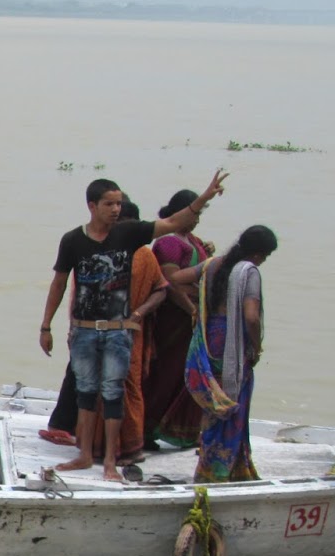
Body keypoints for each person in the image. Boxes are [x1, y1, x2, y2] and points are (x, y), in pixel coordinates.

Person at [40, 170, 226, 481]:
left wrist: (204, 198)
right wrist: (46, 326)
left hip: (117, 329)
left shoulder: (128, 235)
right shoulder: (72, 240)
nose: (115, 209)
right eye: (109, 204)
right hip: (85, 329)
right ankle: (84, 456)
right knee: (86, 395)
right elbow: (58, 283)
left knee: (113, 396)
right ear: (92, 205)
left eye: (118, 204)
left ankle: (111, 462)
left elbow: (172, 224)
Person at [86, 200, 169, 464]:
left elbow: (161, 289)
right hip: (102, 330)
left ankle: (127, 449)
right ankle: (99, 449)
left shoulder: (144, 255)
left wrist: (138, 313)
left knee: (124, 388)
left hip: (127, 331)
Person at [193, 225, 276, 482]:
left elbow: (175, 278)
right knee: (233, 400)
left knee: (216, 400)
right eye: (266, 256)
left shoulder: (214, 265)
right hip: (234, 342)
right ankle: (223, 470)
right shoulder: (248, 271)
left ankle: (209, 466)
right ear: (259, 254)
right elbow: (250, 316)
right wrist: (257, 344)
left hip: (212, 338)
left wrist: (194, 303)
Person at [146, 189, 213, 449]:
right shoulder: (168, 242)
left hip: (192, 319)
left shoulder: (191, 239)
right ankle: (148, 429)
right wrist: (191, 309)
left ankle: (181, 429)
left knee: (186, 375)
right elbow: (171, 284)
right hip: (175, 319)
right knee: (166, 373)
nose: (197, 219)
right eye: (194, 213)